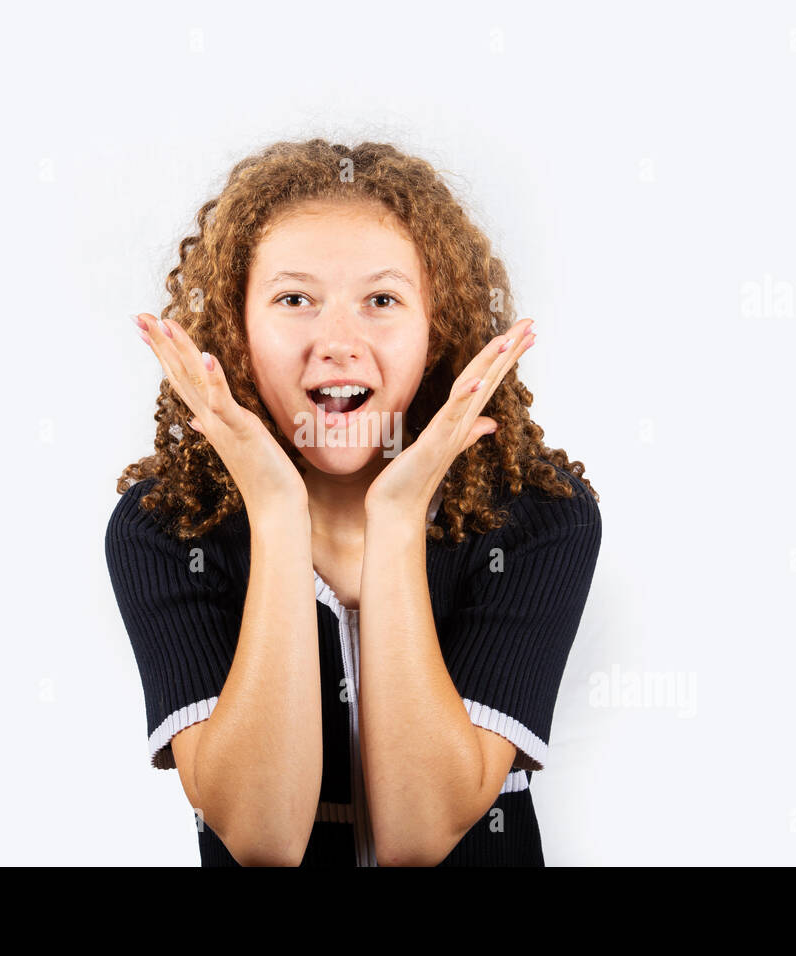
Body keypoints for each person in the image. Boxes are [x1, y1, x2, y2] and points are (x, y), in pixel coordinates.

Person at [105, 139, 602, 866]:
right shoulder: (169, 528)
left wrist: (398, 520)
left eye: (382, 300)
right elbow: (261, 837)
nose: (338, 342)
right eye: (294, 299)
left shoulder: (537, 518)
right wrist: (276, 513)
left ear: (438, 330)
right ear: (236, 333)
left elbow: (419, 834)